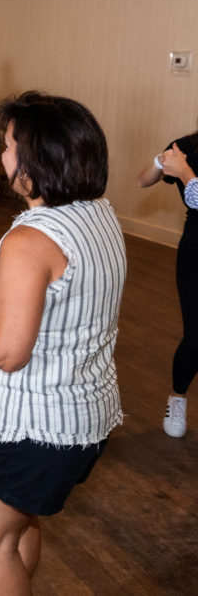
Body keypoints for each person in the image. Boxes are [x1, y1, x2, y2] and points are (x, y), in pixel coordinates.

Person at [0, 92, 124, 596]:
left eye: (8, 145)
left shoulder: (30, 241)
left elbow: (6, 351)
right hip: (84, 420)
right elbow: (52, 269)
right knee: (20, 524)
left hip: (32, 429)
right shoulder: (96, 215)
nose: (2, 156)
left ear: (34, 161)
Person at [138, 135, 198, 437]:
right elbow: (143, 181)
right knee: (196, 336)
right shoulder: (187, 146)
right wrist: (158, 163)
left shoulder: (187, 162)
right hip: (196, 252)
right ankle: (177, 396)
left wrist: (185, 172)